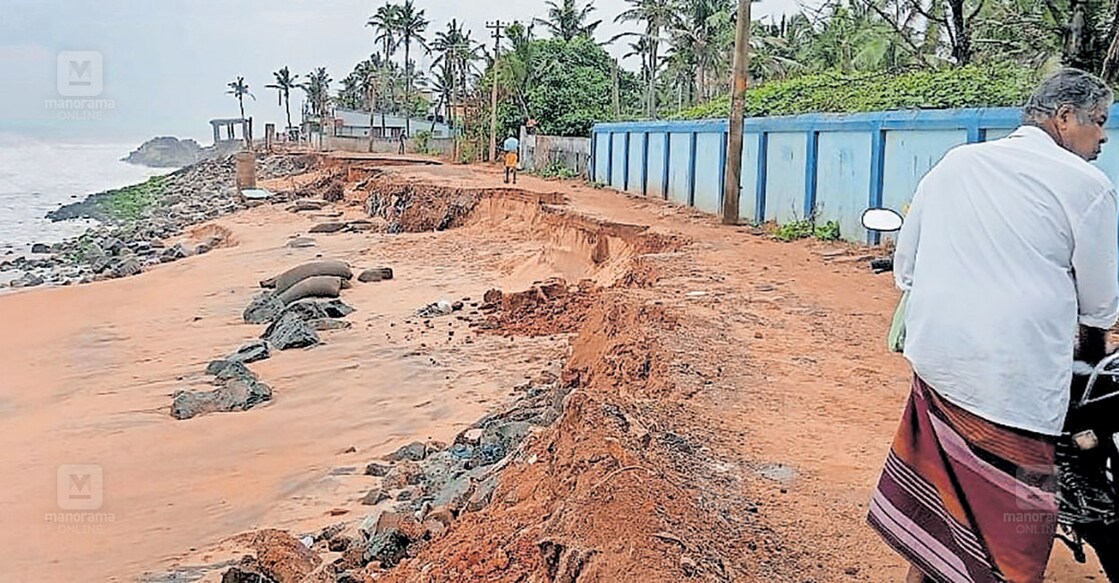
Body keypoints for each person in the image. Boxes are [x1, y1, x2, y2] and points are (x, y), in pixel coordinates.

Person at [868, 68, 1119, 583]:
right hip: (1014, 377)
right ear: (1065, 118)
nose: (1103, 135)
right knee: (1013, 523)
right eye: (1097, 121)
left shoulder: (956, 163)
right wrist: (1085, 341)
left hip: (940, 364)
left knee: (943, 499)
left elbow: (907, 269)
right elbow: (1099, 305)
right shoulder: (1087, 185)